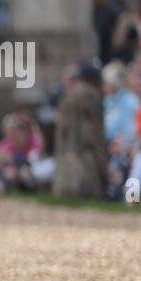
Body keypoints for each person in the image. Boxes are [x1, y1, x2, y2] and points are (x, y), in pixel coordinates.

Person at [53, 62, 108, 199]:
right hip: (85, 151)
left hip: (66, 149)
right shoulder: (92, 95)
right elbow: (95, 131)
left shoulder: (70, 94)